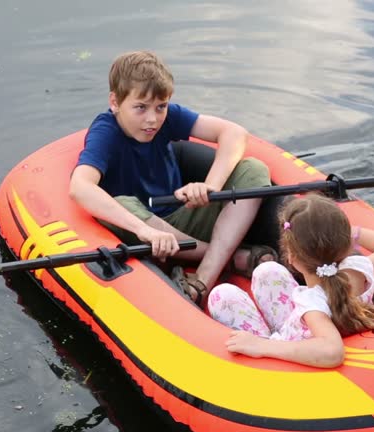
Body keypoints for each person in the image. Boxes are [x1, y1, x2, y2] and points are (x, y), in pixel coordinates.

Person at [69, 51, 276, 306]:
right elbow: (80, 186)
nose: (152, 119)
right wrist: (145, 231)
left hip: (181, 217)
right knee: (121, 202)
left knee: (253, 169)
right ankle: (235, 257)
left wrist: (210, 186)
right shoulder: (106, 132)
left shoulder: (167, 117)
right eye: (140, 108)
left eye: (160, 107)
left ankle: (203, 278)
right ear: (115, 102)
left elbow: (234, 133)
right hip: (143, 229)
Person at [206, 195, 374, 368]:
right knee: (267, 271)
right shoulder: (357, 269)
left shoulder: (313, 304)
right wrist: (352, 233)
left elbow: (332, 352)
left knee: (221, 295)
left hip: (286, 346)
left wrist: (262, 346)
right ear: (346, 243)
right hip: (306, 327)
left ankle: (266, 335)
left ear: (292, 258)